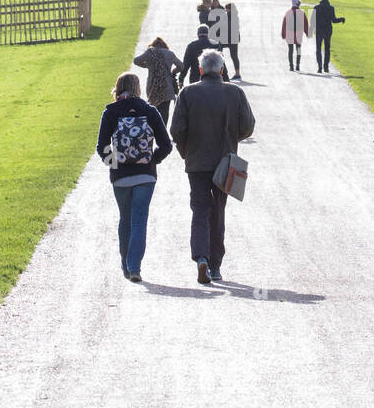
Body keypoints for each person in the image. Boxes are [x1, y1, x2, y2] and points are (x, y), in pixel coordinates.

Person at [169, 50, 255, 284]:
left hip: (196, 162)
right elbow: (248, 126)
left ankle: (201, 258)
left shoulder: (188, 92)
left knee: (199, 209)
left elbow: (176, 129)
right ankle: (215, 265)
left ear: (200, 70)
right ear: (221, 69)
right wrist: (231, 139)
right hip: (224, 161)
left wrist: (187, 151)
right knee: (218, 211)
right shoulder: (235, 92)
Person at [96, 71, 173, 283]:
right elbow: (166, 145)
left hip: (121, 177)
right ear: (138, 88)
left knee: (125, 219)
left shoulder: (111, 112)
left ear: (118, 87)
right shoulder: (149, 111)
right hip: (145, 177)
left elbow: (102, 147)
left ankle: (125, 265)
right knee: (139, 221)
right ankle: (135, 267)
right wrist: (151, 160)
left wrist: (115, 166)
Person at [133, 37, 183, 125]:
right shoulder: (170, 53)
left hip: (153, 86)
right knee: (165, 111)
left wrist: (148, 65)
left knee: (153, 109)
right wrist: (173, 72)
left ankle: (154, 132)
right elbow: (181, 66)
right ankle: (163, 132)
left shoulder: (149, 52)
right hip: (166, 86)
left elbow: (136, 61)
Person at [205, 0, 242, 80]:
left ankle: (219, 71)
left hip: (225, 39)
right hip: (234, 39)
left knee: (219, 54)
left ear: (229, 9)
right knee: (234, 56)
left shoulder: (225, 16)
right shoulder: (235, 16)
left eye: (226, 9)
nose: (225, 10)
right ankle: (238, 73)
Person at [311, 0, 345, 73]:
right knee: (327, 49)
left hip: (319, 31)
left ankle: (319, 67)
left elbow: (312, 21)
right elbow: (334, 20)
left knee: (318, 49)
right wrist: (342, 19)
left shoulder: (316, 7)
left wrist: (311, 30)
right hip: (327, 31)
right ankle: (326, 67)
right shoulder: (331, 8)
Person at [281, 0, 309, 71]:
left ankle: (291, 66)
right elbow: (305, 24)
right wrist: (307, 33)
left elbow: (284, 24)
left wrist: (283, 34)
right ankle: (298, 65)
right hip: (298, 34)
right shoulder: (301, 13)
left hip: (289, 34)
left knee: (290, 50)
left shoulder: (288, 12)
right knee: (298, 49)